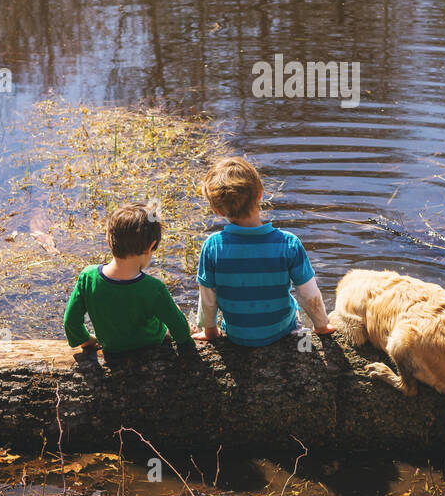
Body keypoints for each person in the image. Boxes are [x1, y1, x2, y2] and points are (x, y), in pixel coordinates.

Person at [194, 156, 333, 346]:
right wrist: (321, 326)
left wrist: (210, 331)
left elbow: (208, 296)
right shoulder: (288, 243)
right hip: (282, 330)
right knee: (294, 306)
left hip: (237, 335)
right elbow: (309, 294)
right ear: (260, 194)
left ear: (217, 210)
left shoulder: (212, 246)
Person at [63, 203, 195, 364]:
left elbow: (71, 322)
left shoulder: (87, 277)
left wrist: (85, 339)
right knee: (174, 311)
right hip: (153, 346)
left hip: (111, 349)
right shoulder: (154, 288)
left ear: (108, 241)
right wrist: (185, 331)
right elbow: (180, 333)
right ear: (151, 247)